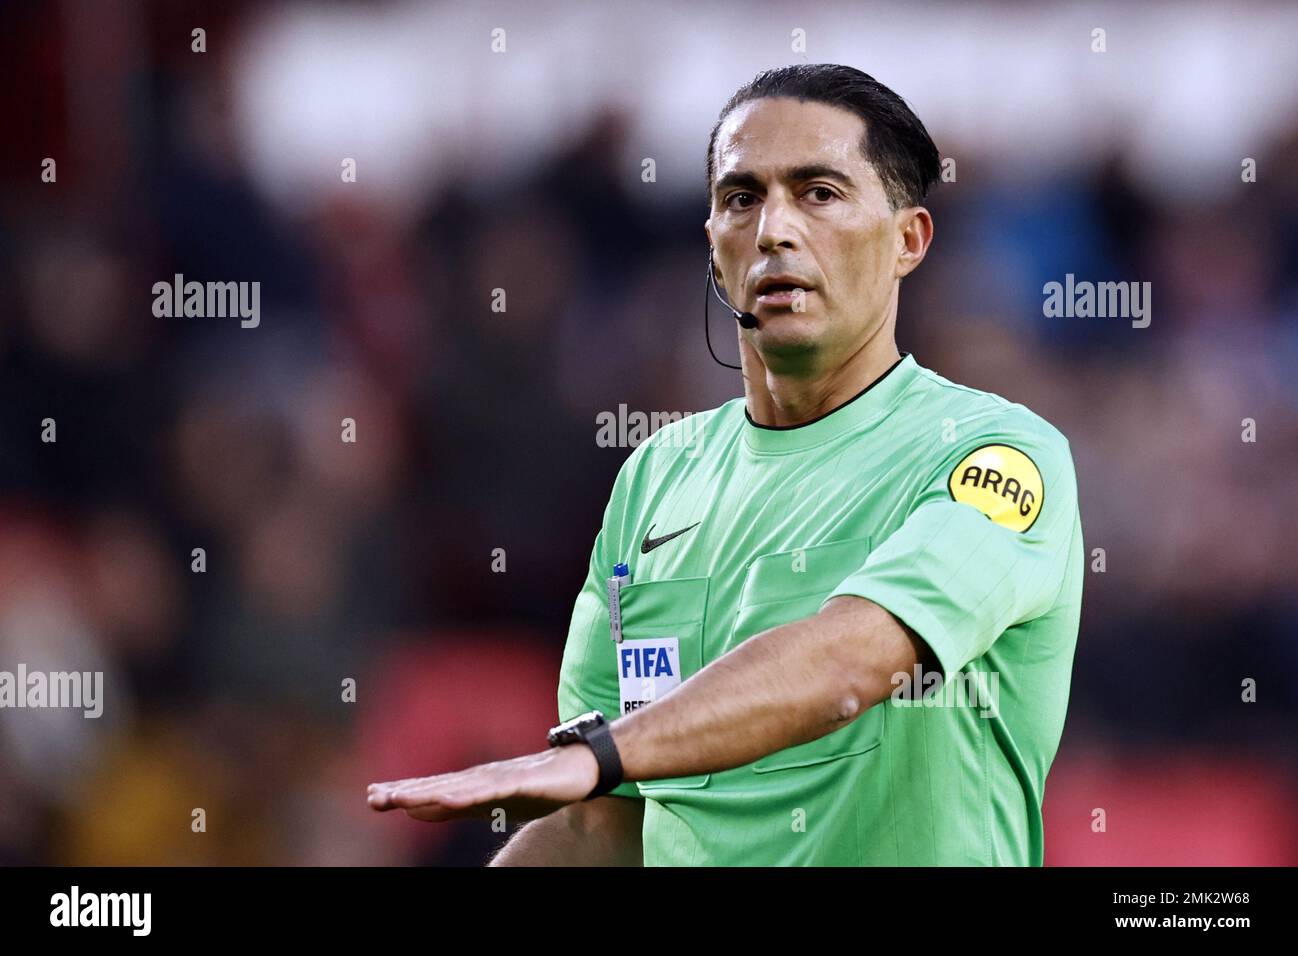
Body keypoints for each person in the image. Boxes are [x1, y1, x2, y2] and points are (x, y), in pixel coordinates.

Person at [368, 63, 1084, 866]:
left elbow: (853, 659)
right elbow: (605, 822)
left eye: (819, 192)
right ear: (712, 245)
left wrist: (602, 756)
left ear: (908, 241)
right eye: (742, 198)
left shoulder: (994, 456)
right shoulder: (654, 481)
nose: (775, 229)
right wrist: (599, 770)